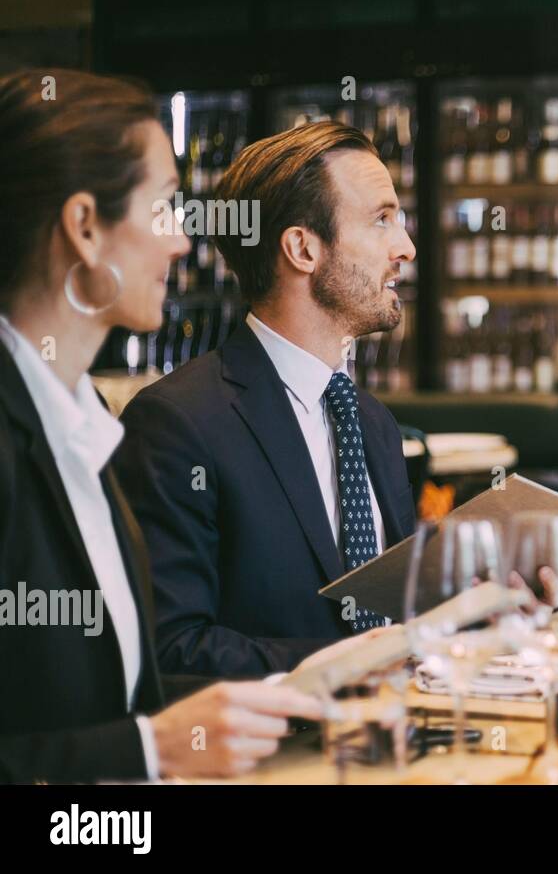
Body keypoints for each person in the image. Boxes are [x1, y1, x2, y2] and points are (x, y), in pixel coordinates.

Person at [0, 68, 322, 783]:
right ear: (85, 227)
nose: (182, 242)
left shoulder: (84, 427)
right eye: (166, 207)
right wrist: (149, 750)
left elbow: (107, 695)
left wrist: (290, 687)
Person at [114, 120, 417, 678]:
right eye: (382, 220)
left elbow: (397, 619)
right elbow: (169, 649)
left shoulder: (373, 423)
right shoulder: (177, 424)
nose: (406, 248)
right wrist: (347, 667)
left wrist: (490, 603)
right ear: (302, 248)